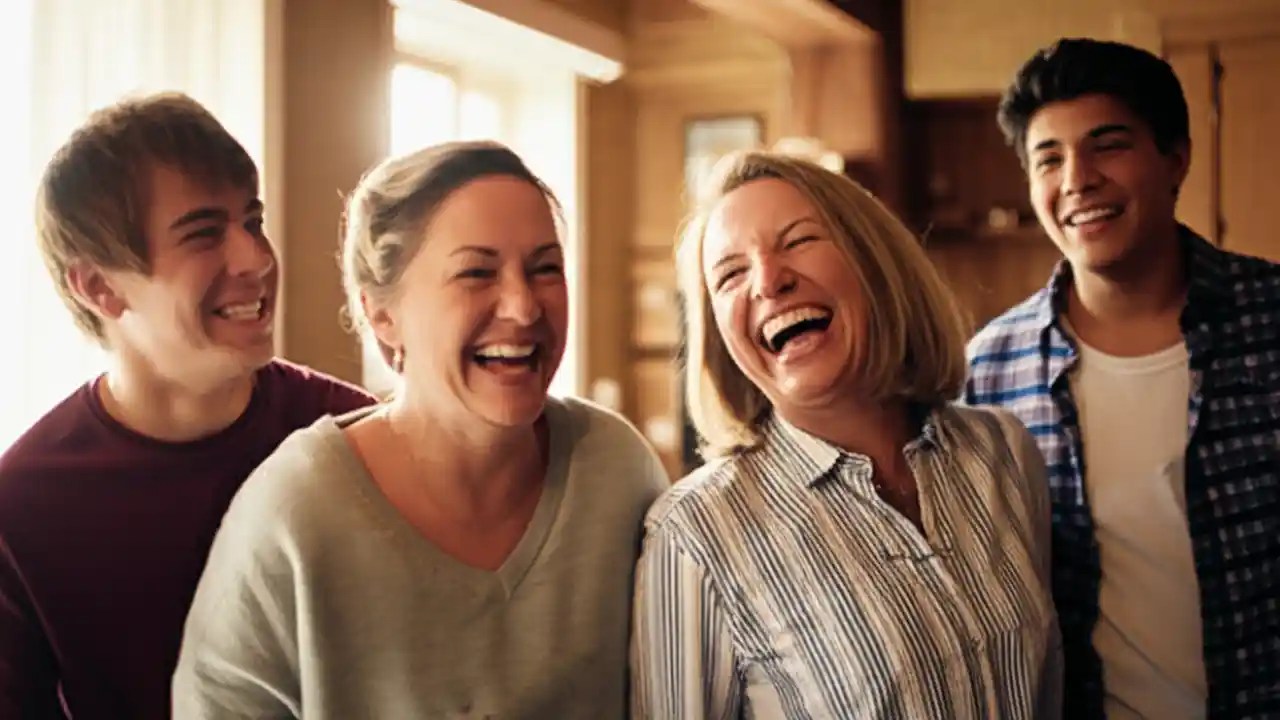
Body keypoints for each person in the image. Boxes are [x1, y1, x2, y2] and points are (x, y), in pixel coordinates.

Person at [172, 141, 670, 719]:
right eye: (476, 272)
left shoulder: (616, 469)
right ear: (383, 317)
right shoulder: (294, 514)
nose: (524, 306)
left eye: (545, 269)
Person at [631, 150, 1061, 719]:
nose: (769, 280)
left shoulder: (1001, 451)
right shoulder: (694, 534)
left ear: (875, 262)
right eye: (730, 274)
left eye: (798, 240)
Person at [0, 93, 376, 720]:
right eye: (203, 234)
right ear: (99, 287)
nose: (256, 259)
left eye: (253, 222)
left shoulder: (355, 438)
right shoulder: (23, 508)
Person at [966, 38, 1280, 720]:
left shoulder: (1269, 319)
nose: (1077, 178)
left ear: (1176, 158)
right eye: (1048, 158)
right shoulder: (990, 370)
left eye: (1107, 145)